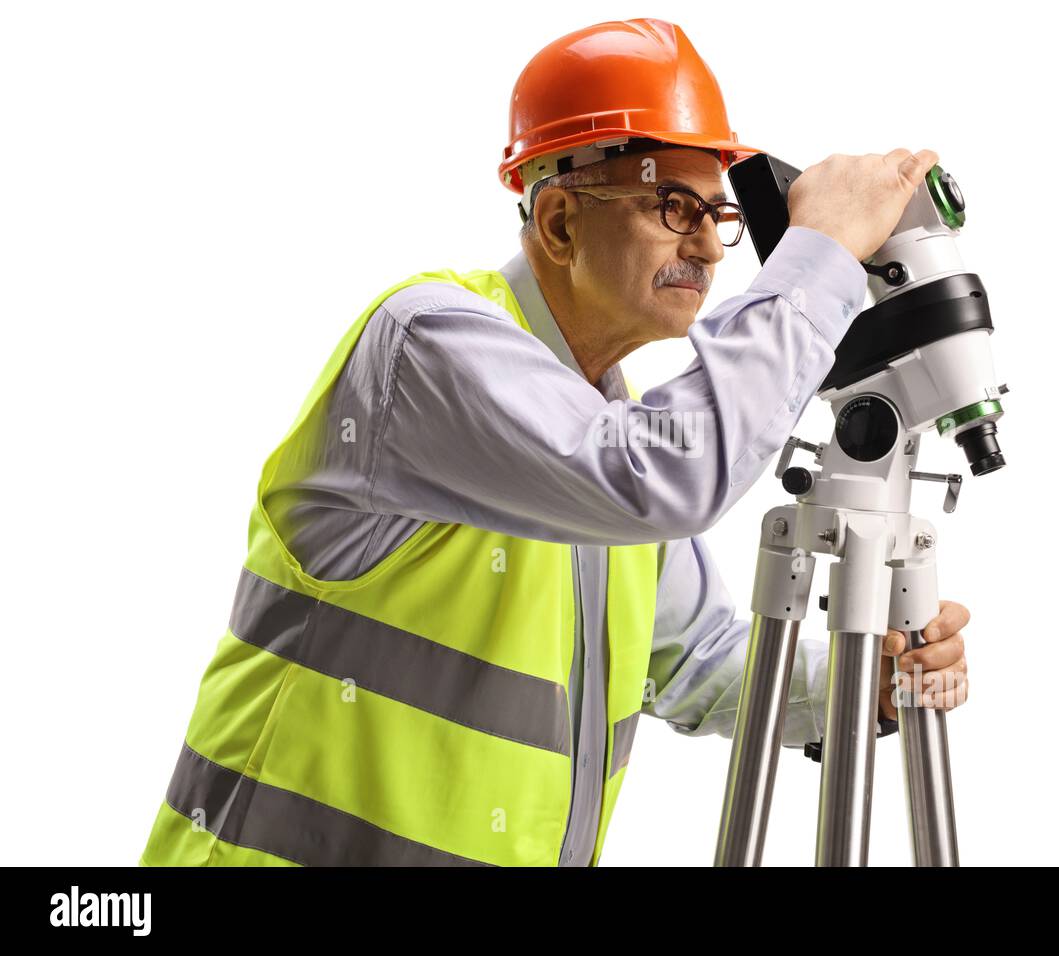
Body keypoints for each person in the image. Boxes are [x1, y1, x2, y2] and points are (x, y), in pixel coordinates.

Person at [140, 17, 969, 868]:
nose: (714, 246)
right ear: (561, 221)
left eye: (717, 212)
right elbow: (660, 475)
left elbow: (695, 663)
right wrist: (819, 254)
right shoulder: (426, 347)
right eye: (675, 206)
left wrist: (865, 682)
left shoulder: (604, 429)